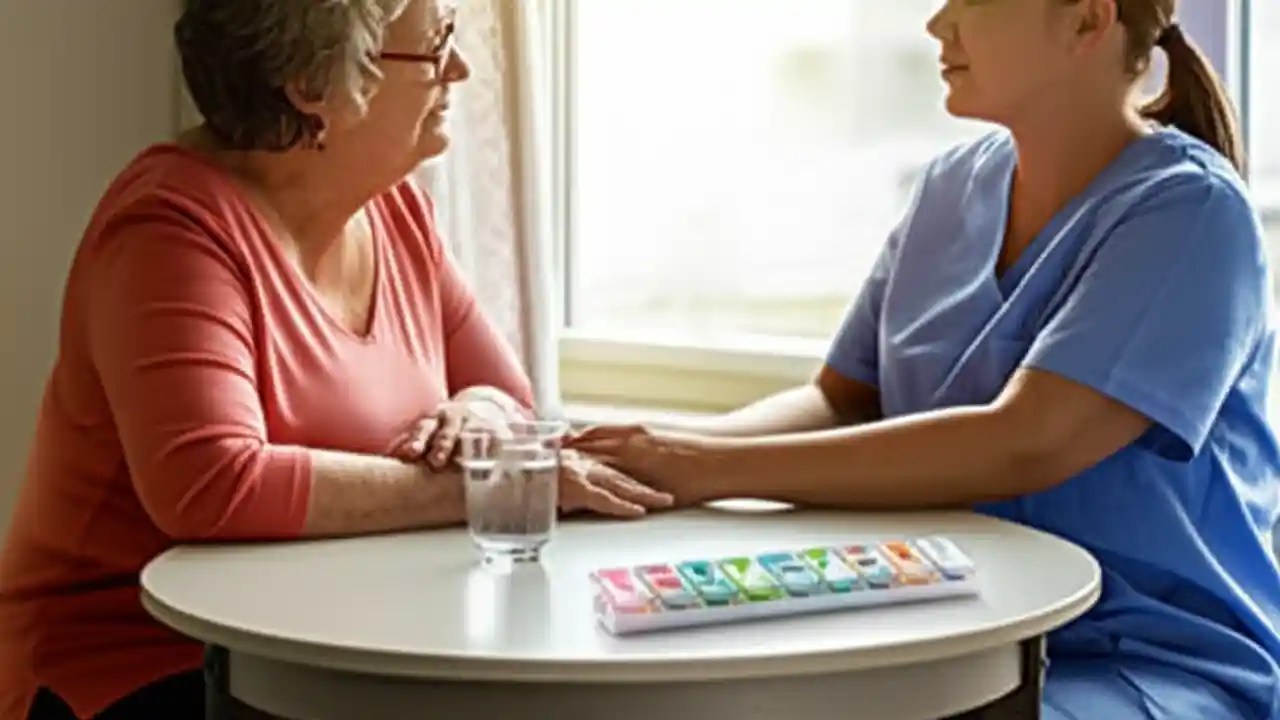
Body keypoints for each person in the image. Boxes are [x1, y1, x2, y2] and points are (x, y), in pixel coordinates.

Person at [571, 0, 1280, 718]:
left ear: (1086, 21)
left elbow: (1025, 444)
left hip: (1135, 659)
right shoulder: (950, 187)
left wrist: (706, 469)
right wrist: (640, 457)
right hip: (935, 630)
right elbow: (842, 401)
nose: (938, 25)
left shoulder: (1190, 214)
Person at [0, 1, 672, 718]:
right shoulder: (170, 229)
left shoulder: (395, 214)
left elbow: (508, 395)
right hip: (137, 665)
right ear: (314, 86)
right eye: (436, 45)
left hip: (322, 644)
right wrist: (477, 486)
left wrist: (477, 412)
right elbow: (211, 485)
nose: (460, 69)